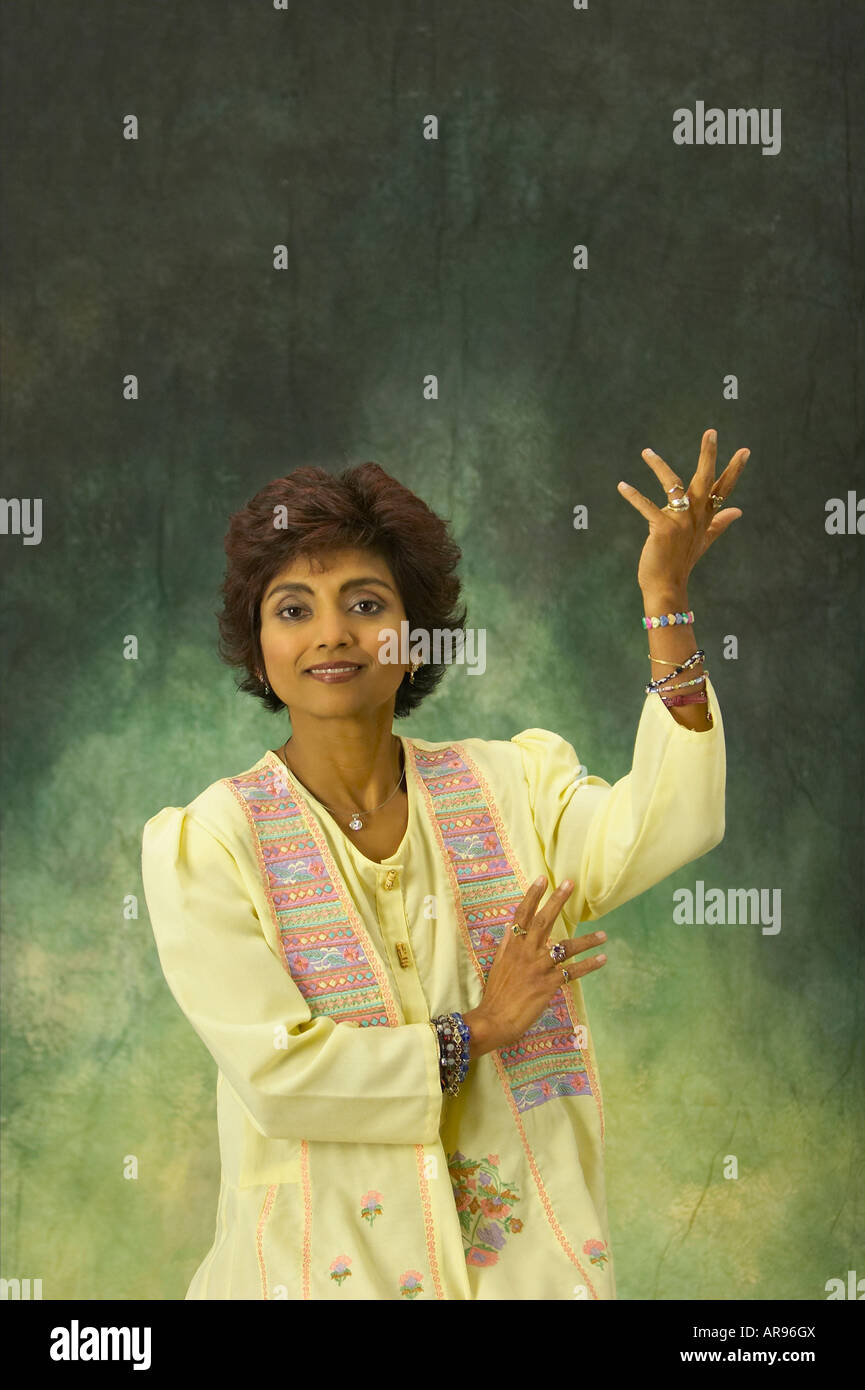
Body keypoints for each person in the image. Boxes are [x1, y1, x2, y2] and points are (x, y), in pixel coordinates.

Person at [141, 429, 747, 1300]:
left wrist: (666, 598)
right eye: (292, 609)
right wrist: (478, 1031)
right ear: (259, 646)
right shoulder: (211, 844)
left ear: (415, 637)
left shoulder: (512, 790)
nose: (331, 634)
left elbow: (665, 824)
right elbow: (283, 1078)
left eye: (364, 603)